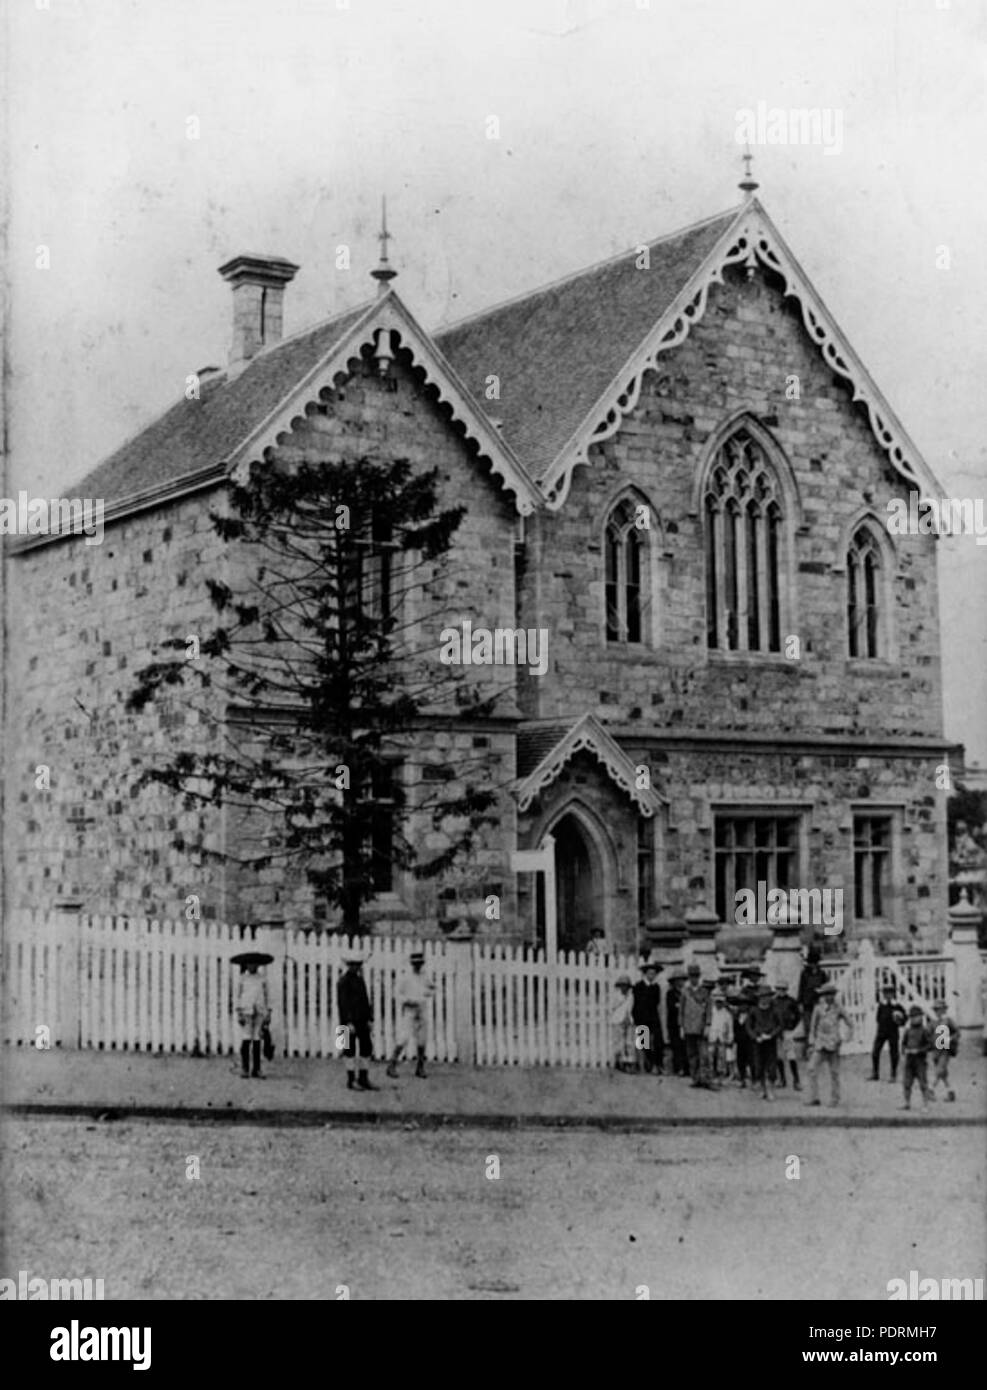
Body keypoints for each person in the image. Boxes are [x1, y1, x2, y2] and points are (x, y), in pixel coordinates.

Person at [387, 951, 435, 1079]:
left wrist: (428, 992)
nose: (418, 966)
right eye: (415, 964)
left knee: (422, 1039)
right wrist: (407, 1000)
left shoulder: (425, 976)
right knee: (404, 1037)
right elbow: (397, 994)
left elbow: (432, 988)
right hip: (410, 1010)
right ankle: (392, 1065)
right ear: (411, 964)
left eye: (420, 963)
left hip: (422, 1009)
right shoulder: (405, 977)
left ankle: (420, 1068)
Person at [806, 981, 852, 1107]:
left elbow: (850, 1022)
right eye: (826, 994)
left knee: (834, 1072)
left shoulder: (838, 1008)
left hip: (833, 1044)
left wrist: (846, 1036)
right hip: (820, 1043)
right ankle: (814, 1097)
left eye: (831, 994)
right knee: (811, 1068)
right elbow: (812, 1027)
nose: (828, 997)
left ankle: (835, 1098)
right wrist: (811, 1043)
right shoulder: (818, 1008)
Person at [337, 954, 378, 1091]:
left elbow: (366, 1001)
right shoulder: (342, 981)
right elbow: (342, 1004)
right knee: (348, 1049)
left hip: (362, 1020)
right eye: (353, 964)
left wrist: (370, 1019)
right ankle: (350, 1080)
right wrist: (347, 1022)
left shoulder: (360, 980)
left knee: (366, 1048)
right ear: (348, 965)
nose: (356, 967)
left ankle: (363, 1078)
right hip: (346, 1022)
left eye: (359, 964)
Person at [235, 962, 271, 1079]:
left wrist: (268, 1012)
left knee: (257, 1039)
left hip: (259, 1011)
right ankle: (245, 1068)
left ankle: (257, 1069)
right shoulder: (242, 978)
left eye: (254, 964)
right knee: (246, 1038)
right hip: (246, 1011)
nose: (252, 966)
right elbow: (237, 996)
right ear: (246, 965)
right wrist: (239, 1012)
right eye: (249, 964)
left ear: (258, 965)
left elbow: (267, 995)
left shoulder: (262, 979)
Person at [746, 983, 782, 1100]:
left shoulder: (775, 1010)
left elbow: (780, 1025)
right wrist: (754, 1037)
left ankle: (770, 1088)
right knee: (758, 1065)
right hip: (757, 1041)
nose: (765, 999)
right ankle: (762, 1088)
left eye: (767, 996)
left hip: (770, 1041)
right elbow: (748, 1026)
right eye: (762, 996)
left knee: (771, 1065)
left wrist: (771, 1035)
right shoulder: (753, 1010)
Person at [679, 963, 713, 1088]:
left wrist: (708, 1025)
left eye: (696, 976)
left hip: (701, 1027)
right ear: (689, 977)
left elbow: (709, 1009)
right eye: (692, 976)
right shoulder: (685, 992)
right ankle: (695, 1079)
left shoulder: (704, 992)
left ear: (699, 977)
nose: (694, 979)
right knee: (692, 1055)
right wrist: (681, 1027)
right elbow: (681, 1011)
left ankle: (706, 1079)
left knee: (704, 1054)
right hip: (688, 1027)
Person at [900, 1005, 935, 1112]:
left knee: (923, 1083)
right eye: (912, 1017)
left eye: (917, 1016)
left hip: (920, 1061)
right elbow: (903, 1043)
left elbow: (930, 1045)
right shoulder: (908, 1031)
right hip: (909, 1060)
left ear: (921, 1017)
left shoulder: (924, 1031)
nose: (915, 1019)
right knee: (907, 1082)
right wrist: (904, 1052)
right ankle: (907, 1103)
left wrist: (919, 1050)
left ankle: (925, 1105)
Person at [632, 961, 664, 1074]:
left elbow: (657, 1002)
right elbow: (635, 1004)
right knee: (643, 1042)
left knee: (656, 1042)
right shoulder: (638, 986)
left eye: (654, 974)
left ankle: (655, 1065)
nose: (652, 976)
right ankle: (643, 1066)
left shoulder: (656, 987)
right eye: (650, 973)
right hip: (641, 1018)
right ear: (645, 974)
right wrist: (636, 1018)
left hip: (653, 1018)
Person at [869, 984, 906, 1082]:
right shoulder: (881, 1006)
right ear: (883, 994)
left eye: (890, 993)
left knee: (894, 1053)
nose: (888, 995)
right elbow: (878, 1018)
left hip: (893, 1032)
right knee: (875, 1052)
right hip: (881, 1032)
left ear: (893, 994)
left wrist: (899, 1021)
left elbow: (904, 1020)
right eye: (886, 993)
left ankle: (893, 1075)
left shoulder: (897, 1006)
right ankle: (875, 1073)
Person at [797, 945, 828, 1059]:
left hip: (819, 1003)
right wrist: (800, 1002)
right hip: (807, 1004)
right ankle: (809, 1052)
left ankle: (821, 1052)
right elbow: (801, 988)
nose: (813, 965)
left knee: (820, 1027)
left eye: (815, 962)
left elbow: (825, 987)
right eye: (811, 963)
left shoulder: (822, 974)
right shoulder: (805, 974)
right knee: (809, 1028)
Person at [774, 982, 802, 1091]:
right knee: (779, 1056)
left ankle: (796, 1080)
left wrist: (792, 1026)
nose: (781, 991)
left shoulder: (791, 1001)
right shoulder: (774, 1001)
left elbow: (798, 1015)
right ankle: (782, 1079)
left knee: (791, 1055)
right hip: (777, 1031)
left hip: (787, 1031)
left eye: (783, 989)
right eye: (779, 989)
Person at [929, 998, 958, 1103]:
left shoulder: (948, 1021)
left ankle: (930, 1089)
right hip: (935, 1050)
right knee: (943, 1073)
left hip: (945, 1049)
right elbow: (928, 1034)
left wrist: (950, 1038)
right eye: (936, 1009)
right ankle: (950, 1091)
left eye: (940, 1009)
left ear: (944, 1010)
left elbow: (957, 1033)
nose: (938, 1012)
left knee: (939, 1070)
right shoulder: (933, 1022)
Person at [707, 988, 735, 1081]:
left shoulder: (727, 1014)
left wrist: (730, 1038)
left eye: (721, 1002)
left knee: (721, 1056)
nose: (719, 1004)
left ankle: (720, 1074)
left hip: (722, 1037)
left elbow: (730, 1027)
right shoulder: (710, 1012)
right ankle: (711, 1073)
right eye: (717, 1002)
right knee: (711, 1055)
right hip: (712, 1036)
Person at [610, 974, 636, 1072]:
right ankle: (619, 1061)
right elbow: (612, 1007)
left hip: (628, 1020)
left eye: (626, 986)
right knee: (619, 1042)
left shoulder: (631, 996)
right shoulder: (616, 996)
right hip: (617, 1020)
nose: (624, 988)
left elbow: (630, 1008)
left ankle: (629, 1062)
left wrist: (628, 1017)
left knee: (629, 1042)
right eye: (622, 985)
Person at [666, 971, 688, 1076]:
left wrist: (680, 1006)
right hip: (674, 1023)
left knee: (685, 1046)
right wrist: (680, 1006)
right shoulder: (670, 993)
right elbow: (672, 1007)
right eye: (677, 981)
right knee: (676, 1046)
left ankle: (686, 1068)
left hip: (685, 1022)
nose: (680, 982)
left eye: (682, 980)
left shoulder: (687, 993)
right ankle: (678, 1068)